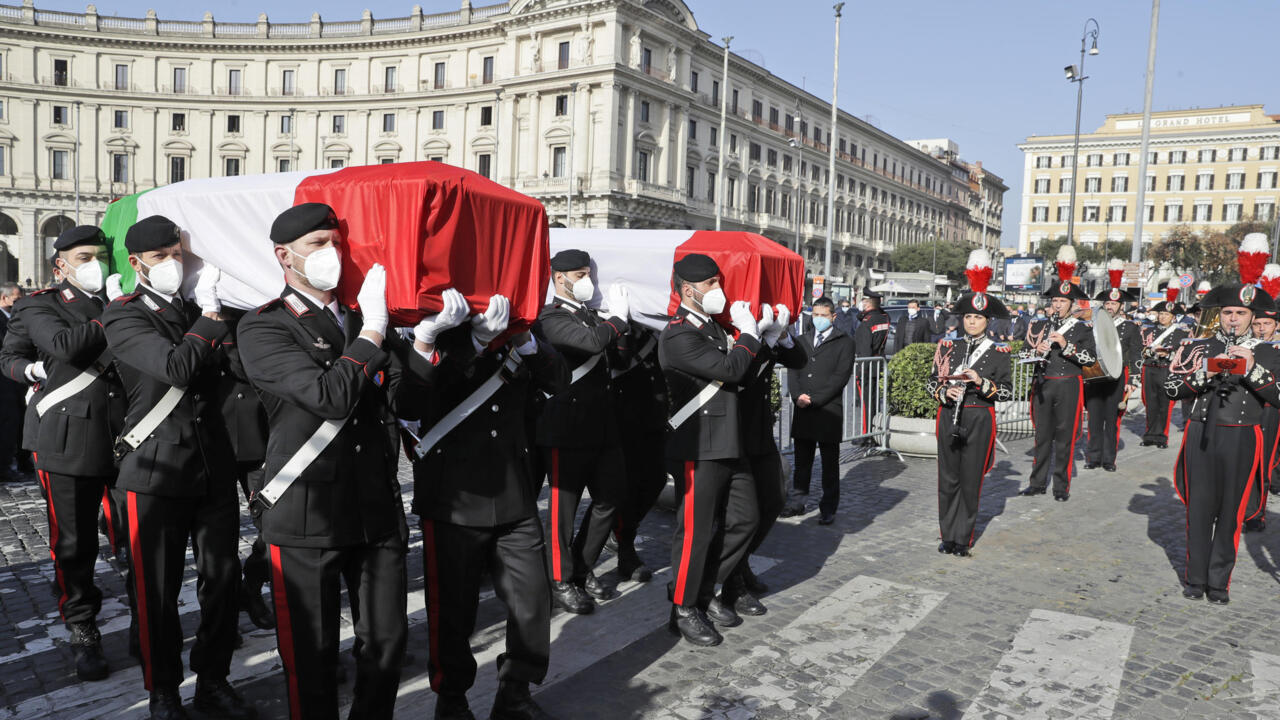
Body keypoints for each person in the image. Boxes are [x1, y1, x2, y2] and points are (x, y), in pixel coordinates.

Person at [102, 216, 253, 720]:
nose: (173, 263)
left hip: (212, 466)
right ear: (137, 263)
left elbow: (236, 372)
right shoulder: (123, 315)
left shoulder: (201, 308)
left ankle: (213, 678)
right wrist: (210, 315)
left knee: (222, 579)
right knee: (157, 591)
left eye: (178, 253)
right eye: (161, 256)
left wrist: (221, 309)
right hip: (154, 471)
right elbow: (175, 367)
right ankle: (163, 689)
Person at [399, 289, 568, 720]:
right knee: (453, 608)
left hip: (513, 490)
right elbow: (416, 400)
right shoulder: (439, 329)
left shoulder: (515, 330)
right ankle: (451, 697)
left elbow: (558, 380)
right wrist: (472, 343)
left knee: (532, 600)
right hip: (455, 496)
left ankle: (515, 688)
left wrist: (527, 341)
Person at [21, 225, 128, 682]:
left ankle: (147, 623)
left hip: (128, 434)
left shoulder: (121, 298)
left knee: (136, 538)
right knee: (75, 541)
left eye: (101, 255)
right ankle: (83, 626)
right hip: (66, 437)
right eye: (85, 256)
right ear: (60, 264)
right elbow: (59, 346)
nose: (96, 263)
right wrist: (27, 368)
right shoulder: (39, 303)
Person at [659, 253, 762, 647]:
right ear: (689, 290)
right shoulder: (679, 333)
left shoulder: (716, 330)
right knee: (695, 534)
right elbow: (732, 370)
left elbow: (747, 371)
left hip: (729, 441)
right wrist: (749, 336)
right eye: (712, 285)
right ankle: (683, 608)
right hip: (698, 445)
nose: (719, 291)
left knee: (744, 520)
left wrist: (766, 338)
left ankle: (707, 590)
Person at [1166, 283, 1280, 605]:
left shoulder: (1270, 352)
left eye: (1241, 313)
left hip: (1242, 435)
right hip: (1201, 432)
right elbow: (1172, 389)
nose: (1233, 319)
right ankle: (1195, 578)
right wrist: (1205, 370)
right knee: (1199, 509)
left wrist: (1252, 370)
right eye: (1228, 312)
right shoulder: (1200, 345)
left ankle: (1219, 582)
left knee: (1231, 512)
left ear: (1252, 316)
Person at [534, 249, 630, 614]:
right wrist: (617, 321)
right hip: (565, 428)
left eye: (588, 272)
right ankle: (560, 580)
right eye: (578, 274)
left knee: (610, 498)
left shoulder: (593, 316)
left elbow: (614, 359)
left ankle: (581, 566)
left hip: (602, 426)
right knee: (563, 510)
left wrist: (621, 328)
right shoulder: (549, 316)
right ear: (559, 279)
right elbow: (590, 344)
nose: (585, 279)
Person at [927, 263, 1012, 556]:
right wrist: (943, 392)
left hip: (979, 416)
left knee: (970, 479)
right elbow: (930, 382)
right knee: (947, 478)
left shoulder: (999, 351)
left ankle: (963, 538)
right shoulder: (948, 346)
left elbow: (1008, 391)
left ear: (987, 321)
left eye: (977, 317)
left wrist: (983, 382)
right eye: (968, 317)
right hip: (948, 415)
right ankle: (947, 535)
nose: (972, 322)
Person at [720, 301, 792, 619]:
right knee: (740, 517)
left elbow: (800, 359)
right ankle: (732, 584)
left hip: (760, 433)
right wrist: (753, 337)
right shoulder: (729, 333)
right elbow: (739, 376)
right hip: (736, 436)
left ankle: (743, 559)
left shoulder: (757, 336)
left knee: (774, 499)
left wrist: (780, 337)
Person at [1019, 279, 1096, 502]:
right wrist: (1036, 350)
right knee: (1041, 437)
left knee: (1065, 437)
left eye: (1063, 301)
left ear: (1071, 304)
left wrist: (1065, 345)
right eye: (1055, 300)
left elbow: (1090, 359)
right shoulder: (1038, 326)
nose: (1058, 304)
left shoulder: (1082, 328)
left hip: (1069, 385)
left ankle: (1061, 487)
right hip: (1043, 384)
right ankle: (1037, 483)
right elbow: (1023, 355)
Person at [779, 297, 854, 524]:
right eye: (816, 315)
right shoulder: (801, 340)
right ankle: (797, 501)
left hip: (828, 409)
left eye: (823, 315)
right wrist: (797, 396)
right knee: (803, 461)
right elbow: (794, 370)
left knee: (830, 464)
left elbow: (840, 377)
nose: (818, 319)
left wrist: (815, 399)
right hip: (803, 409)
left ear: (833, 316)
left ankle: (828, 507)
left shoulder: (845, 342)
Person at [608, 322, 668, 583]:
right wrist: (625, 328)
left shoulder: (656, 330)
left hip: (656, 418)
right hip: (624, 422)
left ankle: (620, 531)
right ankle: (625, 548)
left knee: (655, 481)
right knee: (627, 486)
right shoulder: (618, 326)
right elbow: (619, 362)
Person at [1083, 285, 1143, 472]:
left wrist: (1133, 380)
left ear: (1121, 307)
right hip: (1094, 375)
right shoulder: (1092, 325)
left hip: (1117, 377)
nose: (1110, 306)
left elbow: (1136, 354)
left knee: (1112, 419)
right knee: (1094, 419)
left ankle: (1109, 459)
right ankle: (1093, 457)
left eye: (1114, 304)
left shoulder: (1130, 327)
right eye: (1107, 303)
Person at [1244, 305, 1280, 533]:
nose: (1261, 329)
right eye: (1257, 324)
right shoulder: (1243, 345)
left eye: (1266, 324)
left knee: (1262, 462)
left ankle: (1255, 513)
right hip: (1242, 409)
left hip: (1268, 409)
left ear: (1276, 325)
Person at [1139, 300, 1189, 448]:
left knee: (1164, 404)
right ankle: (1149, 435)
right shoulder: (1147, 330)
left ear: (1173, 317)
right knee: (1150, 403)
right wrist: (1152, 351)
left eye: (1166, 314)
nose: (1162, 317)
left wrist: (1168, 354)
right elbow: (1141, 350)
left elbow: (1183, 354)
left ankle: (1162, 437)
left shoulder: (1181, 332)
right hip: (1149, 368)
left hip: (1167, 369)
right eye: (1160, 313)